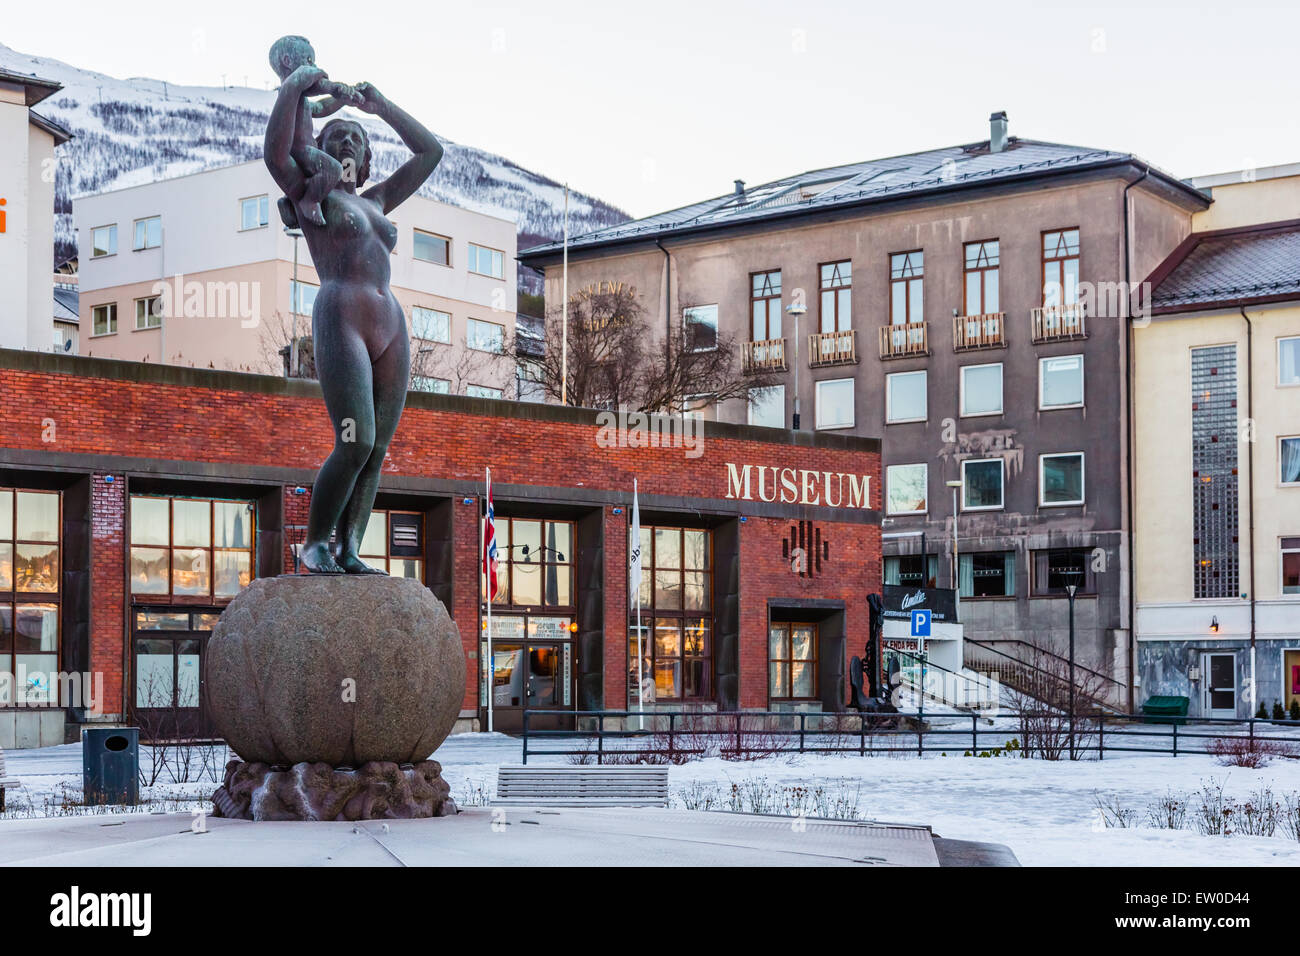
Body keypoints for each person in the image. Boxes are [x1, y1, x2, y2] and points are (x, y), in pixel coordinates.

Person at [263, 50, 443, 573]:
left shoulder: (378, 201)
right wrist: (296, 85)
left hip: (390, 324)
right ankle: (316, 541)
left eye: (356, 138)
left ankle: (351, 547)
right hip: (341, 311)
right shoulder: (308, 193)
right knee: (354, 438)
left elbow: (431, 153)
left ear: (365, 159)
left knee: (376, 448)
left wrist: (381, 107)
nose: (347, 141)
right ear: (319, 149)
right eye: (337, 136)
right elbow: (277, 153)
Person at [266, 35, 362, 228]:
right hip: (300, 149)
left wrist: (343, 98)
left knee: (319, 174)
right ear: (287, 60)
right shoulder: (295, 83)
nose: (314, 65)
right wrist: (334, 87)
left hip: (306, 150)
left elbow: (321, 108)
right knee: (334, 169)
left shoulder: (300, 98)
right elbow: (318, 84)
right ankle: (310, 200)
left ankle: (289, 203)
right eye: (309, 59)